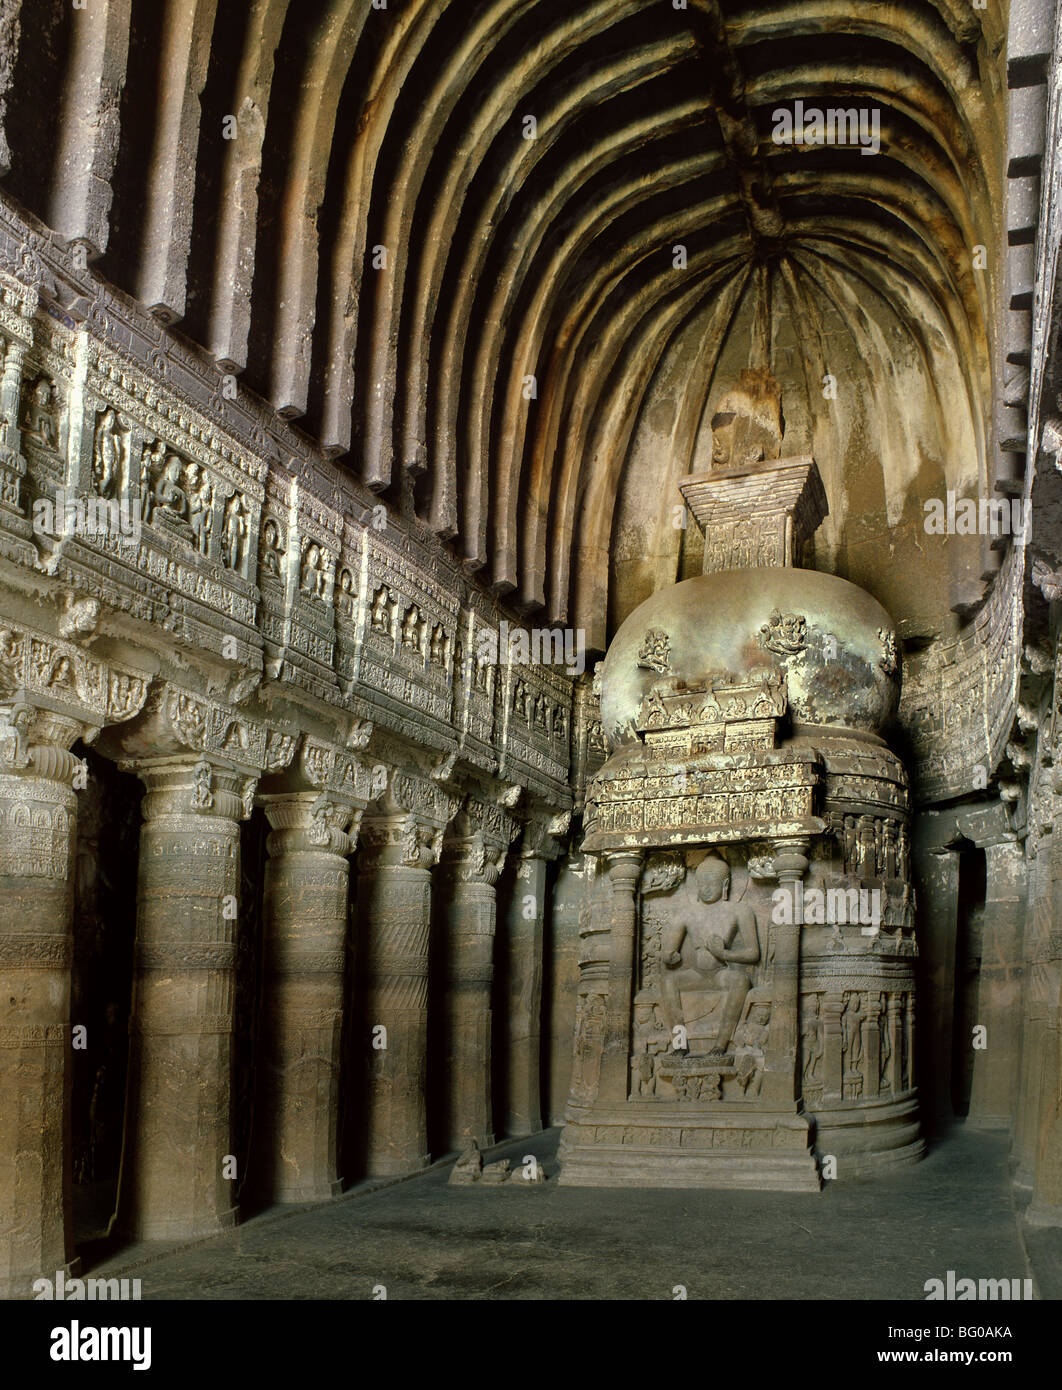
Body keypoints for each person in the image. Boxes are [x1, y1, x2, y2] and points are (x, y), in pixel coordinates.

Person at [659, 855, 759, 1056]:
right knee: (669, 981)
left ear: (725, 884)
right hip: (696, 974)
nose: (705, 888)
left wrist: (724, 953)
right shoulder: (686, 913)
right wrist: (669, 956)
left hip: (721, 974)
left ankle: (720, 1045)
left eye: (710, 883)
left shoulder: (739, 910)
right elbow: (668, 951)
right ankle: (679, 1044)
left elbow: (753, 953)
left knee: (740, 981)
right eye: (701, 883)